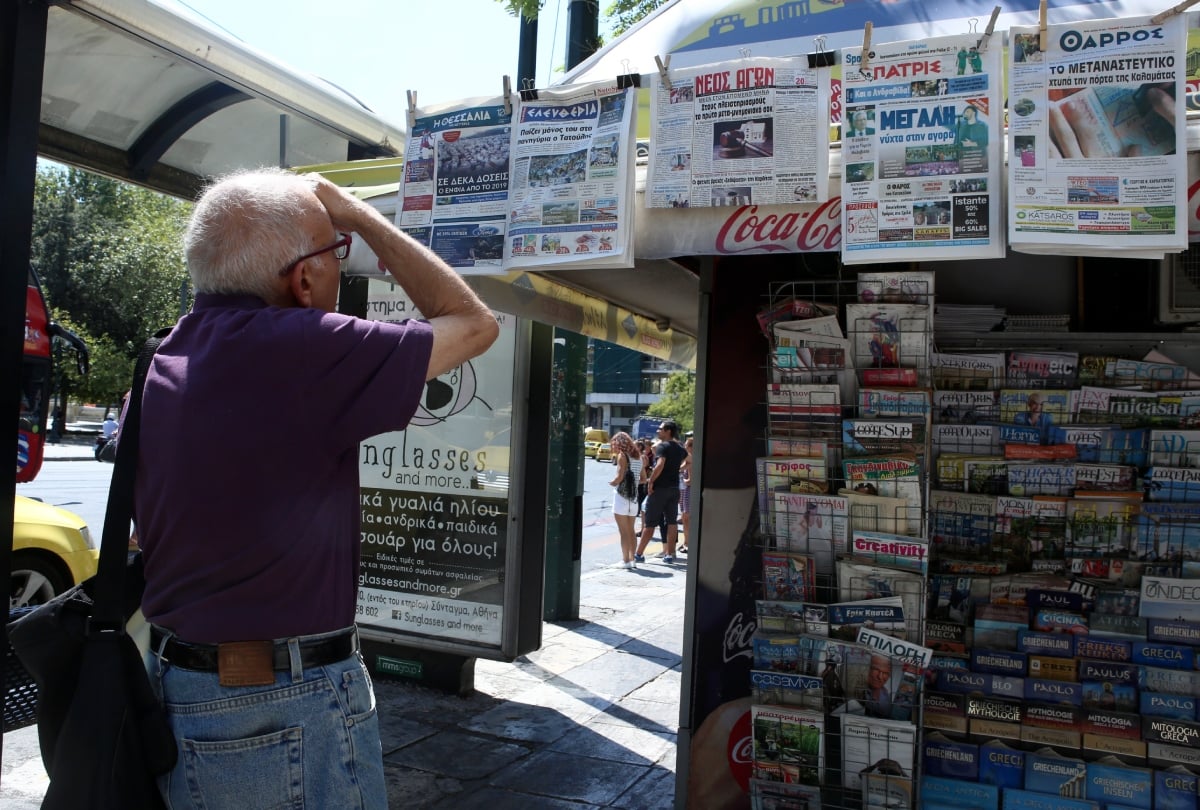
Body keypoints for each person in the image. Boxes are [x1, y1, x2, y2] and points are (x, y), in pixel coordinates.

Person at [136, 168, 498, 809]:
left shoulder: (162, 354)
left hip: (176, 684)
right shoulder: (302, 346)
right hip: (279, 702)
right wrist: (358, 216)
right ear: (303, 279)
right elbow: (472, 323)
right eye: (337, 253)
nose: (340, 266)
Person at [634, 420, 688, 564]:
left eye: (660, 429)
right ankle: (669, 555)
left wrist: (651, 481)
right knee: (672, 522)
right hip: (674, 488)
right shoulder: (680, 448)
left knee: (650, 523)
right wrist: (678, 469)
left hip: (660, 489)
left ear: (668, 431)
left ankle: (638, 554)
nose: (658, 430)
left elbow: (660, 464)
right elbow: (690, 460)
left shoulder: (662, 446)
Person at [608, 431, 644, 569]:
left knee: (623, 532)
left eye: (614, 443)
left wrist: (612, 483)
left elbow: (619, 477)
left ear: (619, 443)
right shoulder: (639, 457)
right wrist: (633, 483)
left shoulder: (622, 456)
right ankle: (632, 560)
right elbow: (643, 478)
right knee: (631, 531)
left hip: (621, 497)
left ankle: (625, 561)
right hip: (634, 499)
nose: (613, 446)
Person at [678, 434, 694, 554]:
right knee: (685, 518)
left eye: (686, 445)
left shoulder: (691, 460)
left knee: (686, 518)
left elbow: (690, 481)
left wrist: (681, 480)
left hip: (688, 491)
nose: (684, 447)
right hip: (685, 491)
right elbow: (680, 469)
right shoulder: (688, 459)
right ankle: (686, 542)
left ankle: (687, 543)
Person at [863, 654, 894, 718]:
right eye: (876, 669)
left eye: (885, 673)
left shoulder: (886, 696)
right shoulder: (855, 690)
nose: (880, 677)